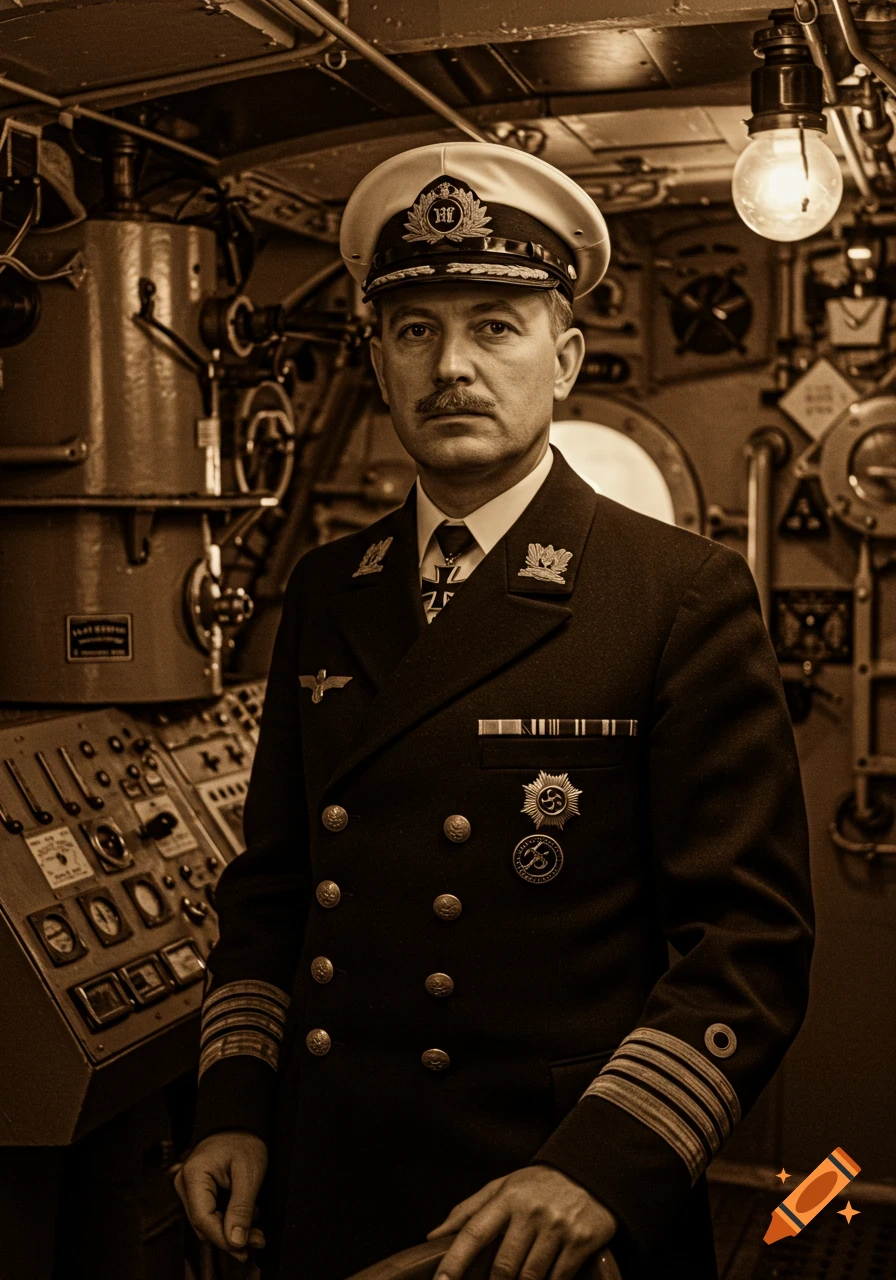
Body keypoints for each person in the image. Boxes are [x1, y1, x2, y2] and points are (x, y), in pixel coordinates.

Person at [175, 141, 815, 1280]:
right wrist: (234, 1102)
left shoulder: (677, 593)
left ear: (563, 361)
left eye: (495, 327)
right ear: (377, 360)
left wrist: (604, 1169)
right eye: (415, 330)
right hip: (328, 1177)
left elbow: (745, 945)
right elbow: (272, 886)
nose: (452, 366)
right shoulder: (330, 587)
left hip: (547, 1201)